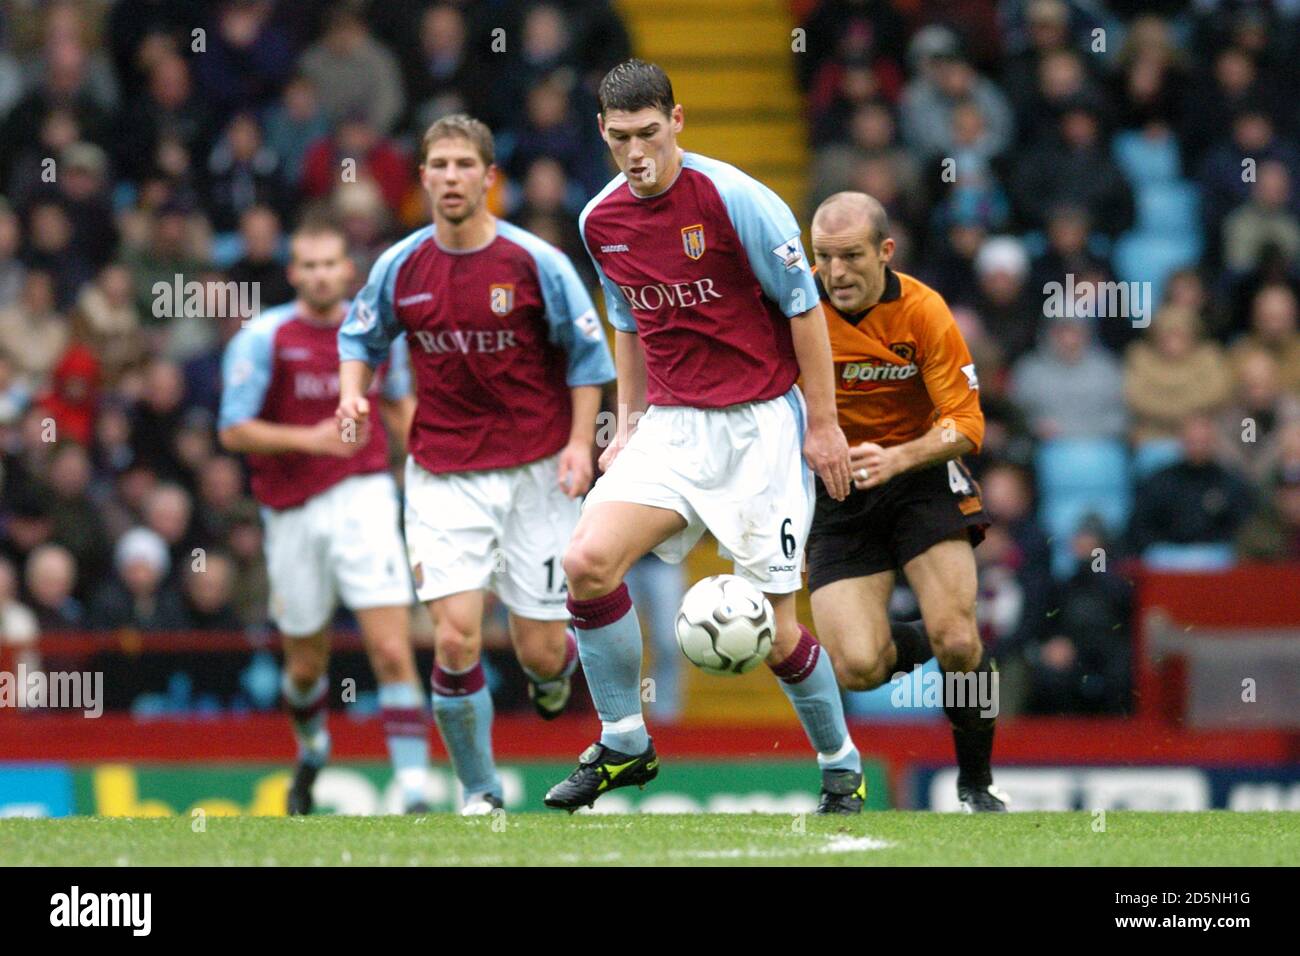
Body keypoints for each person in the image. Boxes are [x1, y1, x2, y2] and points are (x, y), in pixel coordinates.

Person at [544, 59, 864, 814]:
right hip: (674, 426)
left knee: (778, 633)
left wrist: (823, 424)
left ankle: (840, 765)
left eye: (649, 133)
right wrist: (625, 424)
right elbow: (628, 322)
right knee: (586, 562)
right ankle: (624, 742)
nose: (636, 152)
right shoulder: (599, 221)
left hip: (760, 428)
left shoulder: (739, 200)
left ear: (677, 121)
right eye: (621, 137)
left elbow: (804, 312)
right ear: (602, 132)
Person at [335, 115, 615, 815]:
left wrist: (582, 445)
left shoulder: (535, 263)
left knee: (543, 655)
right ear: (423, 178)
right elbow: (361, 337)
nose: (452, 177)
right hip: (443, 472)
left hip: (538, 473)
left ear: (490, 179)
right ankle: (480, 792)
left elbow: (587, 361)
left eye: (466, 165)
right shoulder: (401, 266)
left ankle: (553, 679)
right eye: (440, 165)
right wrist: (351, 397)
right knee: (455, 638)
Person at [218, 218, 430, 815]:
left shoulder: (376, 337)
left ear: (346, 270)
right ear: (293, 273)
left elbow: (399, 409)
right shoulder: (265, 338)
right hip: (290, 512)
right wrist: (313, 439)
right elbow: (233, 430)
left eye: (328, 263)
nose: (318, 274)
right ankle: (312, 747)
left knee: (391, 649)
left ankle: (414, 793)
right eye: (306, 265)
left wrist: (441, 469)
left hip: (364, 496)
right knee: (306, 666)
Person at [806, 191, 1006, 811]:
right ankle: (940, 635)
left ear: (886, 252)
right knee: (859, 667)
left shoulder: (924, 310)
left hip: (918, 479)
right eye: (823, 257)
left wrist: (899, 456)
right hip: (835, 493)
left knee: (960, 643)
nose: (836, 273)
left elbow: (967, 426)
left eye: (851, 256)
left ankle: (975, 784)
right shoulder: (794, 308)